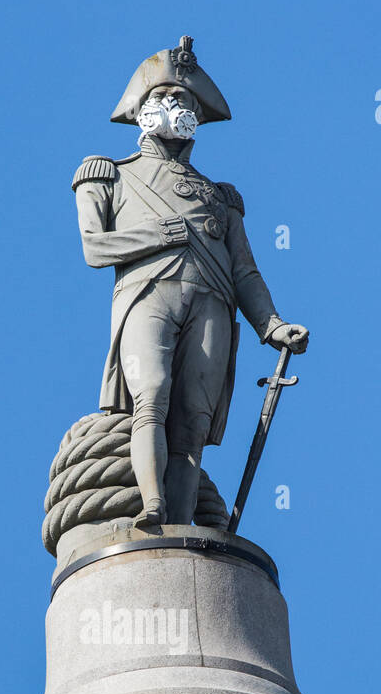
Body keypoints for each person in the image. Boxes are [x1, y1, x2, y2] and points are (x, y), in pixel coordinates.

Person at [73, 36, 308, 525]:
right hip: (147, 293)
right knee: (151, 394)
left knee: (193, 422)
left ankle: (179, 524)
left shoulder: (221, 196)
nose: (177, 106)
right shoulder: (108, 174)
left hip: (212, 302)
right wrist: (156, 234)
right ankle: (152, 507)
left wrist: (273, 325)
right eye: (167, 97)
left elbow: (244, 270)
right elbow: (95, 248)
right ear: (144, 110)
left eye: (185, 100)